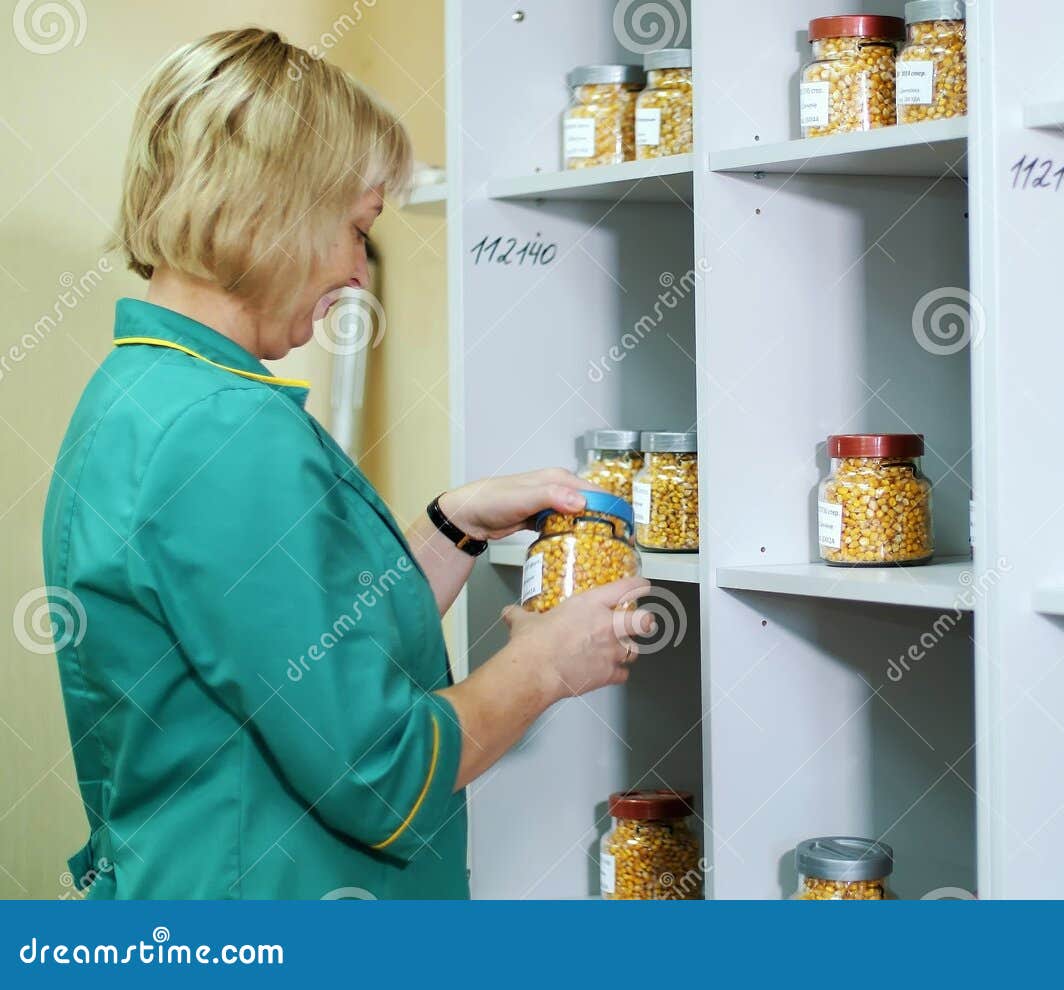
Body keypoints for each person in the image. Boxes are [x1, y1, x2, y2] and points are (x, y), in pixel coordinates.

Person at [41, 27, 653, 899]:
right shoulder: (223, 432)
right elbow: (379, 775)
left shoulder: (143, 389)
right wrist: (547, 665)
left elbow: (292, 646)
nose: (359, 273)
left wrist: (453, 527)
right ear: (273, 207)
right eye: (357, 229)